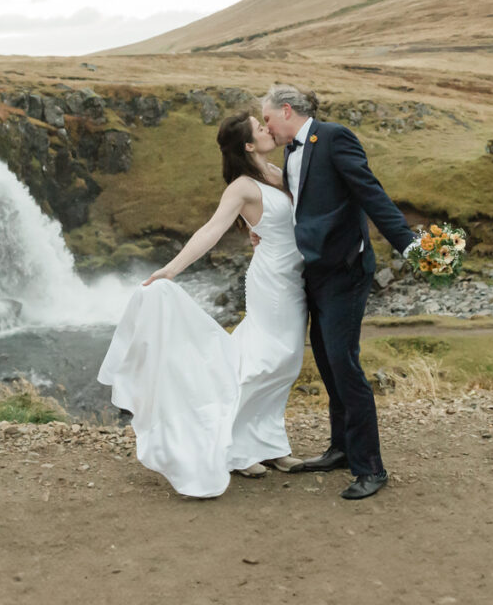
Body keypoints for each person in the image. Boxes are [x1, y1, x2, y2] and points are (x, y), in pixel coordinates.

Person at [97, 111, 306, 498]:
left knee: (288, 361)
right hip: (272, 280)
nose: (266, 128)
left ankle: (269, 442)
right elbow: (212, 229)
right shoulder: (242, 186)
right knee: (267, 358)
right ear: (247, 144)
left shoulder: (279, 170)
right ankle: (237, 448)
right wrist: (173, 269)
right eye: (259, 128)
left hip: (297, 277)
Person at [260, 83, 416, 500]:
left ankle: (371, 468)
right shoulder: (292, 154)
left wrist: (411, 246)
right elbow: (302, 205)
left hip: (345, 271)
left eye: (268, 119)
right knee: (328, 362)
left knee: (345, 365)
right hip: (314, 270)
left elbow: (370, 192)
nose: (266, 127)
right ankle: (341, 448)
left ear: (287, 110)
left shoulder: (333, 137)